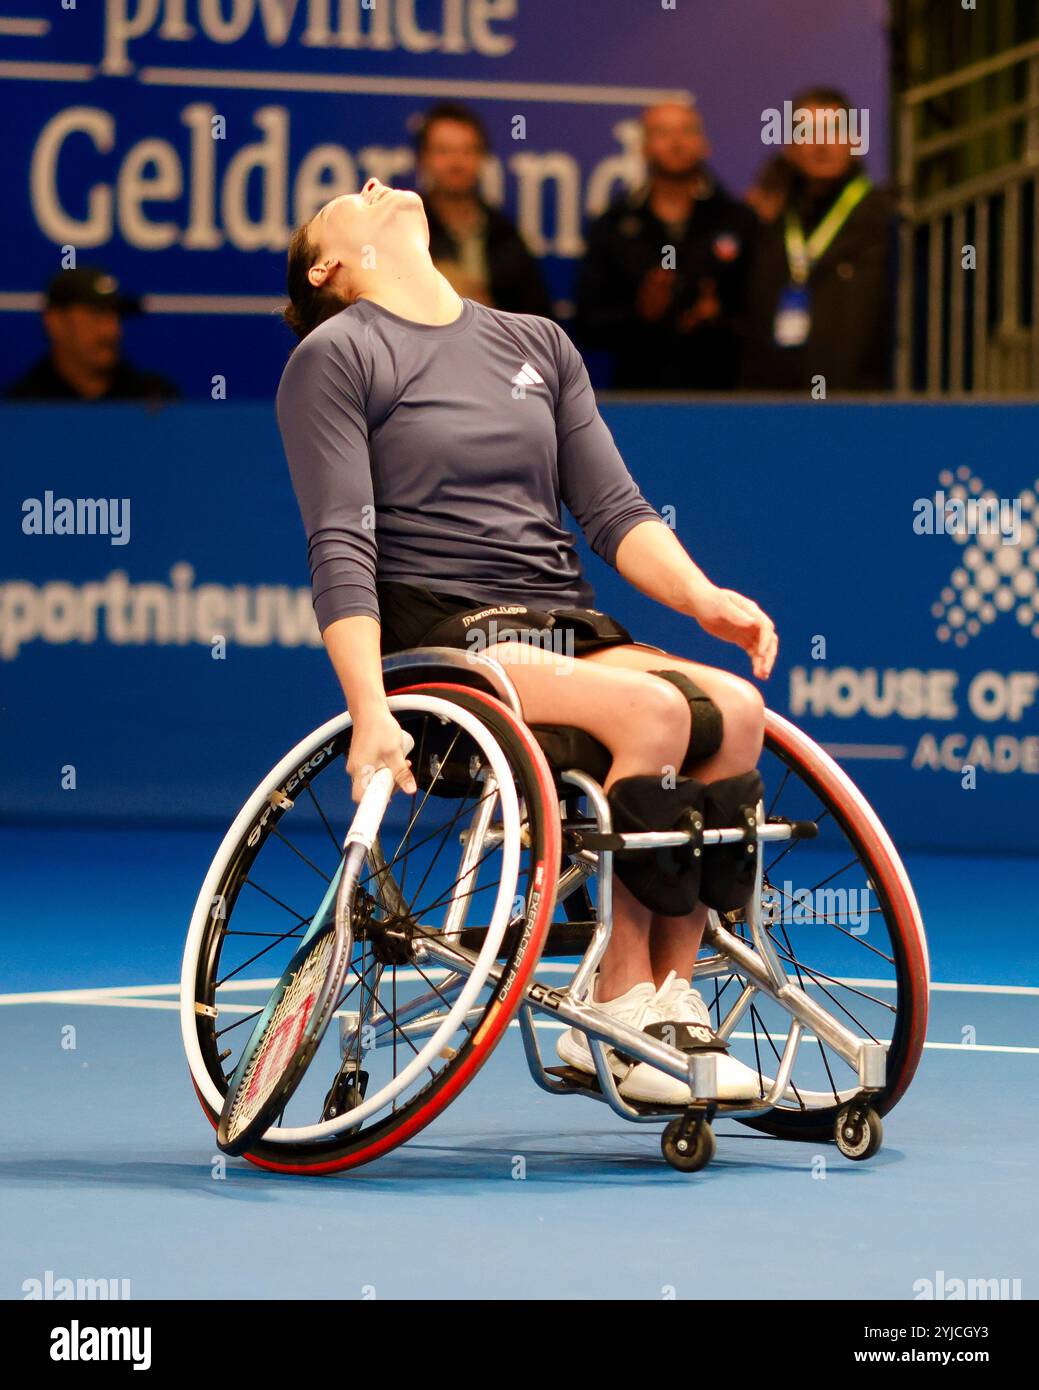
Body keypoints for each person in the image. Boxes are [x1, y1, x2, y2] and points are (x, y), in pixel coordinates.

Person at [276, 178, 778, 1104]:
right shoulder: (335, 356)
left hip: (566, 624)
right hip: (447, 639)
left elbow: (615, 511)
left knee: (737, 711)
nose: (377, 185)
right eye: (350, 195)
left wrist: (703, 598)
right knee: (654, 710)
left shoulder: (536, 342)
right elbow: (339, 542)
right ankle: (621, 994)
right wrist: (367, 709)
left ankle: (671, 998)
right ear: (329, 266)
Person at [574, 101, 756, 390]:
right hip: (640, 395)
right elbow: (587, 325)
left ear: (704, 144)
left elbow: (763, 318)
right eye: (662, 132)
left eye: (686, 131)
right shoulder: (613, 225)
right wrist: (642, 315)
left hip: (723, 397)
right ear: (643, 147)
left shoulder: (738, 221)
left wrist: (718, 319)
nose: (676, 142)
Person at [742, 86, 895, 392]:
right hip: (772, 400)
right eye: (808, 132)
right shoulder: (767, 218)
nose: (822, 144)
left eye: (835, 130)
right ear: (789, 147)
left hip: (858, 399)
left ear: (855, 141)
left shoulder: (887, 219)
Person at [413, 101, 553, 318]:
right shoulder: (405, 231)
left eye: (467, 151)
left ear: (482, 158)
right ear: (423, 158)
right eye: (443, 151)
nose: (456, 163)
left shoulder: (505, 236)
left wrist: (489, 312)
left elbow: (539, 319)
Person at [6, 267, 179, 402]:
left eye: (116, 316)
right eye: (97, 316)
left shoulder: (153, 399)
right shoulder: (20, 406)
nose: (112, 331)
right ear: (55, 322)